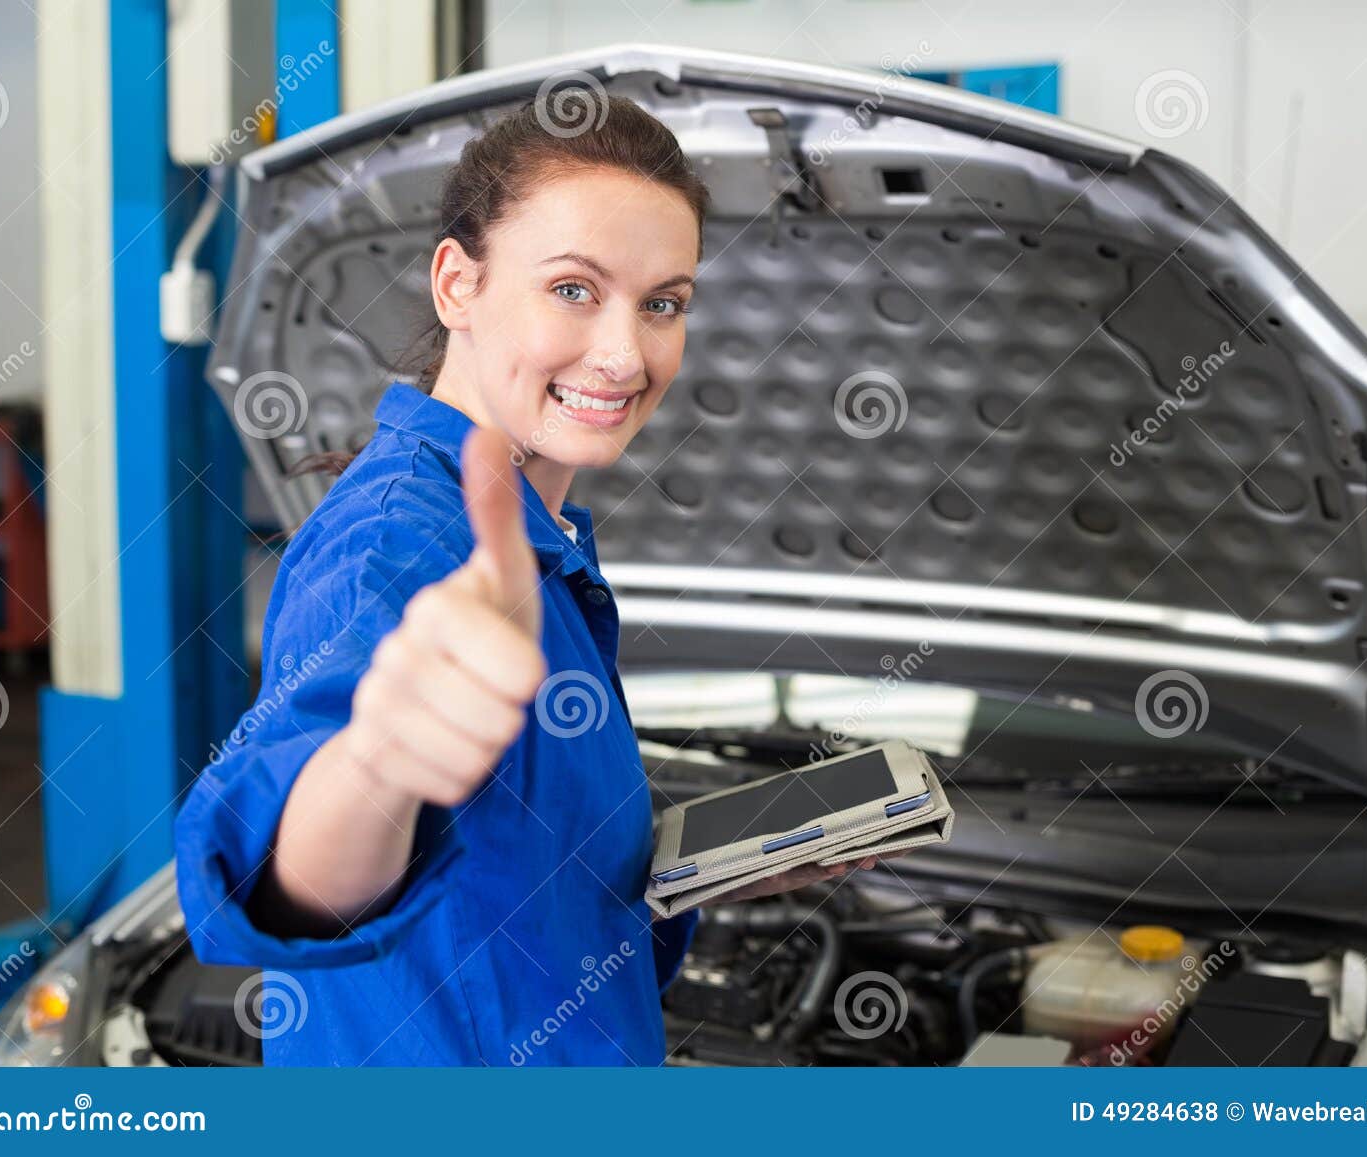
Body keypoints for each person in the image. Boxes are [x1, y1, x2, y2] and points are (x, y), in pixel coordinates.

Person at [173, 90, 877, 1066]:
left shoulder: (540, 534)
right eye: (574, 289)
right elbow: (288, 885)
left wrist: (700, 868)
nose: (628, 352)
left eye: (663, 302)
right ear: (456, 284)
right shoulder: (396, 547)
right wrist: (376, 762)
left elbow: (524, 876)